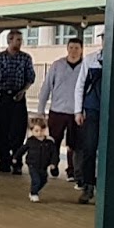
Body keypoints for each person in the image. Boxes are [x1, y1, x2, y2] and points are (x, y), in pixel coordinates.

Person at [36, 36, 85, 182]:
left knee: (74, 143)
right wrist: (41, 110)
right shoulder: (57, 65)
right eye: (71, 48)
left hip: (76, 112)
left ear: (82, 50)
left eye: (77, 48)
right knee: (54, 140)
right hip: (57, 110)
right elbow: (46, 87)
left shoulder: (85, 66)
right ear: (67, 48)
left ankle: (72, 171)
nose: (73, 51)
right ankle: (53, 164)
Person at [0, 29, 34, 174]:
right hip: (2, 97)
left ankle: (17, 161)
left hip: (18, 97)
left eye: (21, 40)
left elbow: (30, 77)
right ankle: (4, 161)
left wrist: (23, 91)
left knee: (18, 131)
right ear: (9, 40)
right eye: (17, 39)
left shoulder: (25, 58)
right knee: (2, 130)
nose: (20, 42)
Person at [73, 44, 104, 204]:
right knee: (89, 148)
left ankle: (105, 186)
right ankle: (88, 185)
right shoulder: (91, 59)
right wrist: (78, 111)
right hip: (92, 109)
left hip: (112, 110)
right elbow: (80, 85)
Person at [22, 117, 59, 203]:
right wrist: (15, 157)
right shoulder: (30, 141)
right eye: (36, 131)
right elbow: (22, 149)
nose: (39, 133)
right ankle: (34, 193)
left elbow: (54, 154)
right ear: (32, 131)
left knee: (43, 180)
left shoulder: (49, 142)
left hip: (43, 165)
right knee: (36, 179)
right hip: (32, 164)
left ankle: (34, 190)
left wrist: (53, 163)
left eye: (42, 130)